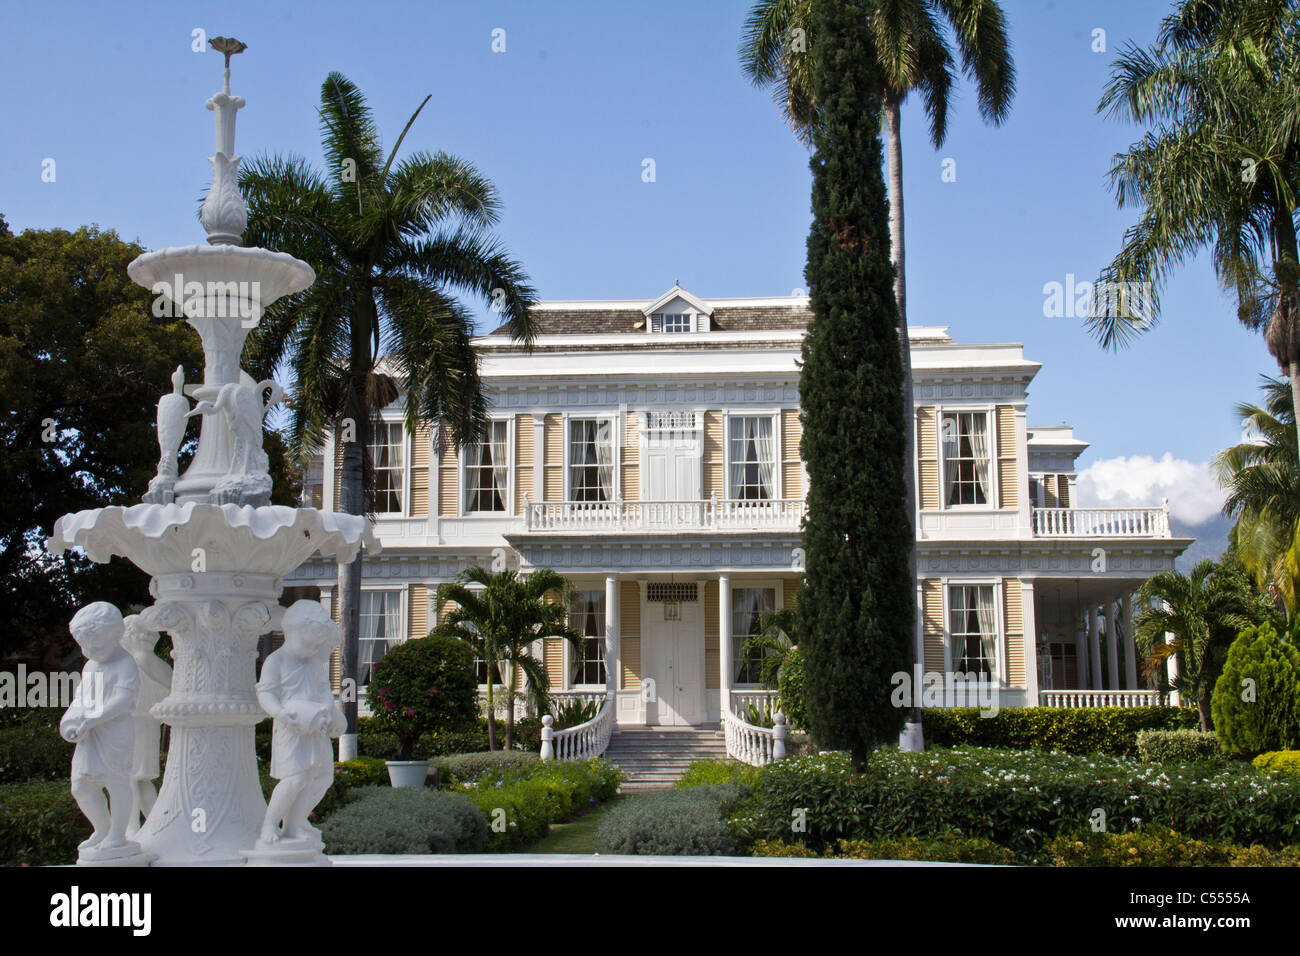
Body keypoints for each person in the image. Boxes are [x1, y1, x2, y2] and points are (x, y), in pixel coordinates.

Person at [255, 600, 344, 845]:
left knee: (320, 777)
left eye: (316, 645)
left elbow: (325, 690)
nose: (314, 649)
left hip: (316, 726)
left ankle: (295, 823)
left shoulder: (314, 662)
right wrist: (280, 713)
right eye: (309, 644)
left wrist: (328, 711)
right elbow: (266, 693)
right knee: (294, 779)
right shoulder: (277, 661)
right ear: (292, 632)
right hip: (291, 727)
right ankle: (270, 823)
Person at [59, 602, 140, 857]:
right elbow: (82, 699)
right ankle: (102, 828)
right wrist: (71, 720)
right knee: (80, 786)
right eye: (84, 646)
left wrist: (93, 719)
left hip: (115, 731)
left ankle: (118, 833)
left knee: (116, 782)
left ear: (115, 635)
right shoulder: (91, 665)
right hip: (89, 733)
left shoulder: (125, 663)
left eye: (96, 646)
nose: (88, 651)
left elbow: (123, 700)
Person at [121, 614, 173, 838]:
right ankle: (154, 823)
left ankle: (131, 826)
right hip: (145, 723)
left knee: (129, 776)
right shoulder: (154, 663)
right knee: (140, 777)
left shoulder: (136, 661)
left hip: (134, 723)